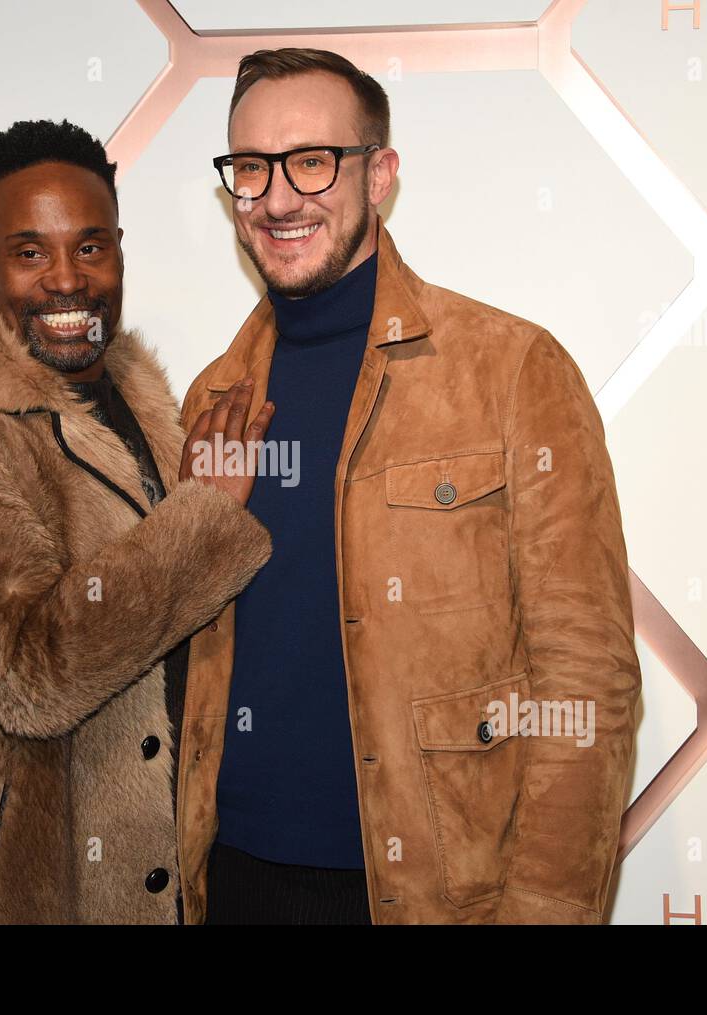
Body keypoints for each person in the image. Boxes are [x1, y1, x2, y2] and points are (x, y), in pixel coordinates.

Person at [176, 48, 643, 925]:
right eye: (250, 168)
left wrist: (542, 911)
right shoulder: (214, 398)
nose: (278, 199)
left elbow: (587, 682)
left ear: (380, 174)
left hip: (430, 897)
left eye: (312, 161)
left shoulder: (511, 371)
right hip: (231, 884)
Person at [0, 118, 273, 923]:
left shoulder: (153, 398)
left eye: (89, 247)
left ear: (120, 248)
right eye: (29, 252)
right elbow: (29, 673)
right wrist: (202, 517)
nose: (66, 279)